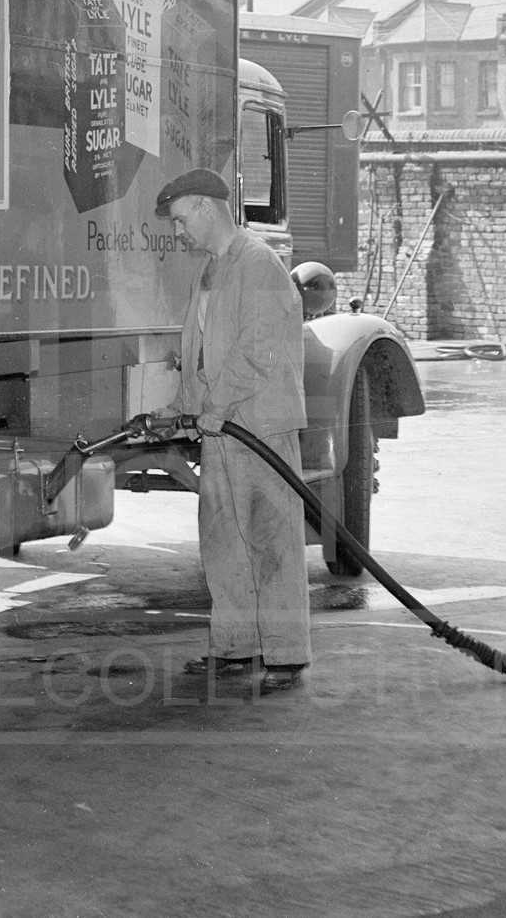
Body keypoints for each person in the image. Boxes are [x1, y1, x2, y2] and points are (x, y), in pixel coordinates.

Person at [153, 166, 311, 695]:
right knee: (223, 542)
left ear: (204, 206)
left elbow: (257, 351)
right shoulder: (212, 271)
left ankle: (286, 656)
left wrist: (215, 406)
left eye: (179, 220)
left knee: (272, 540)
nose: (178, 232)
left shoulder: (259, 264)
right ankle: (237, 647)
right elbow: (202, 355)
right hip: (223, 432)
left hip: (260, 428)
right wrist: (181, 407)